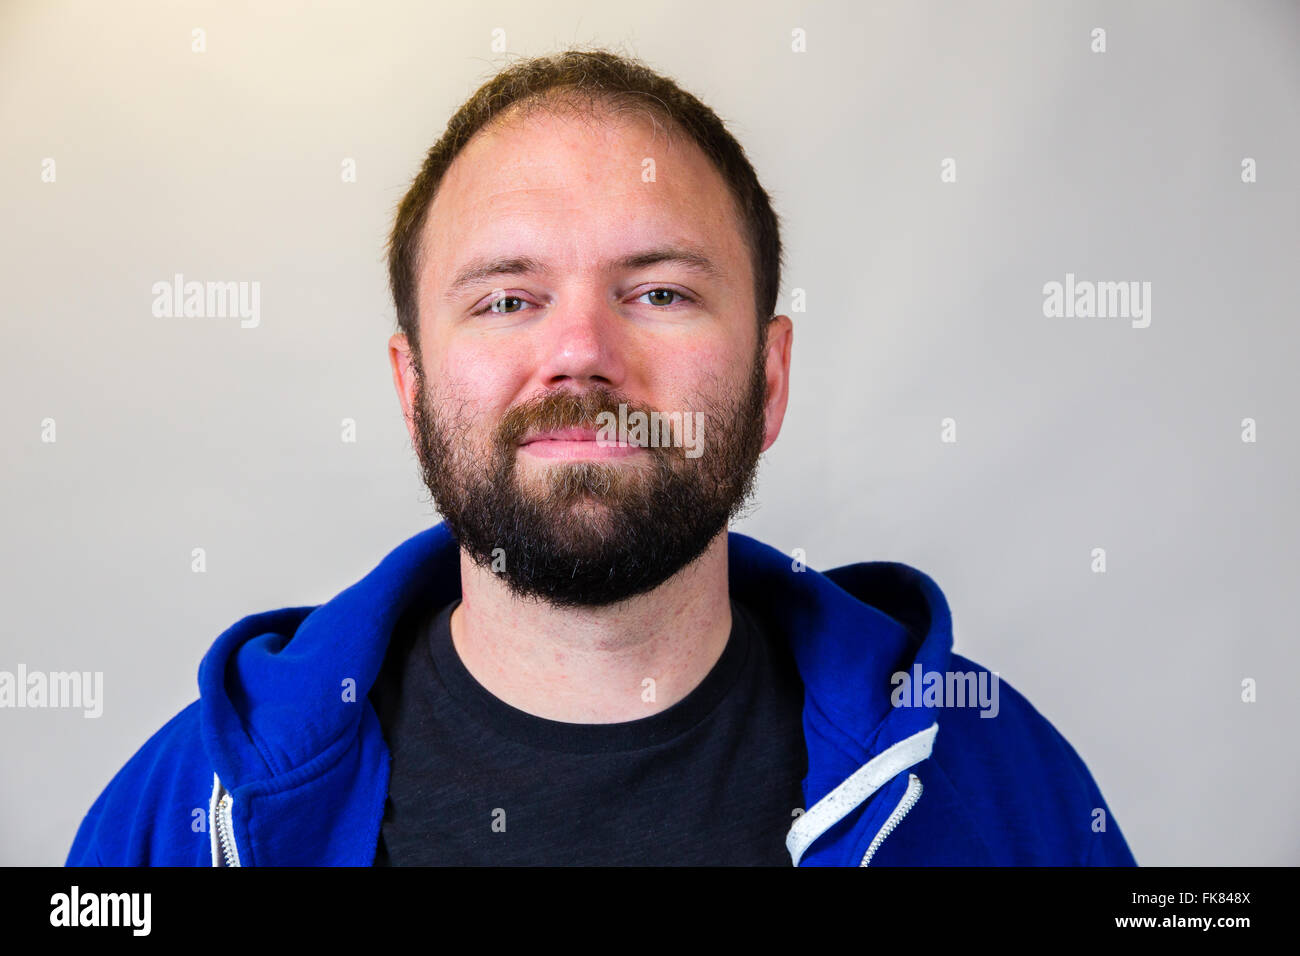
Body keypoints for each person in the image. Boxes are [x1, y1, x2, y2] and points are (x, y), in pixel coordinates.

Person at [67, 48, 1136, 867]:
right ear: (411, 387)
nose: (579, 353)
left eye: (659, 291)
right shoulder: (184, 813)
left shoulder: (1000, 785)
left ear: (769, 377)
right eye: (507, 299)